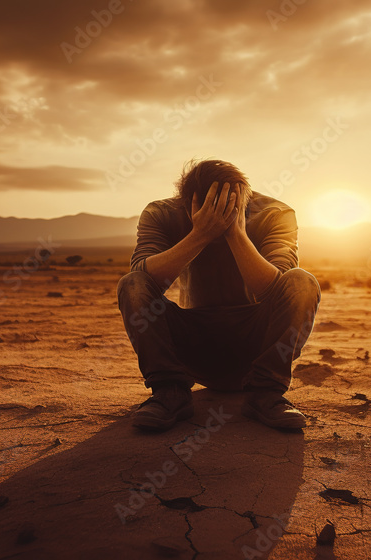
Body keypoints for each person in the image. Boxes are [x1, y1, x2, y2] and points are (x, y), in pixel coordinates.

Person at [116, 159, 321, 431]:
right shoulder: (162, 213)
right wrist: (200, 234)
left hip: (257, 345)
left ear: (245, 199)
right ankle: (169, 392)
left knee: (301, 281)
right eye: (208, 207)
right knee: (132, 283)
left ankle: (266, 394)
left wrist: (236, 234)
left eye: (229, 206)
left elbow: (277, 290)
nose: (219, 214)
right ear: (185, 201)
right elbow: (143, 281)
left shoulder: (275, 213)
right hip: (191, 346)